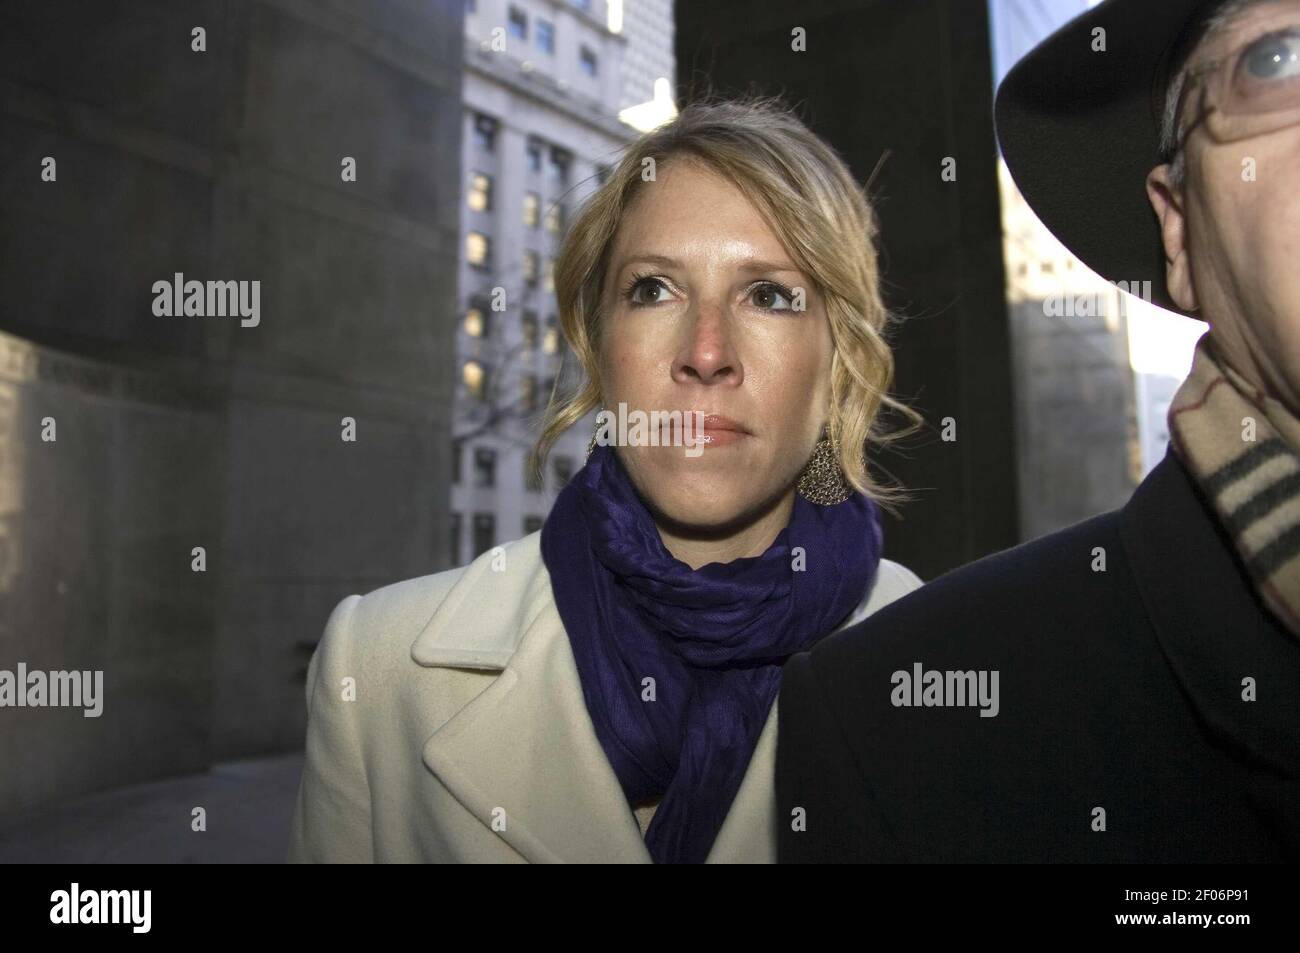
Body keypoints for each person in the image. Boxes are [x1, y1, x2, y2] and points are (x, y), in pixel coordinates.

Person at [287, 96, 924, 863]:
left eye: (769, 295)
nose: (707, 350)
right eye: (653, 289)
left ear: (839, 358)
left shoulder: (938, 664)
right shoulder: (377, 667)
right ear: (598, 345)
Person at [776, 0, 1300, 864]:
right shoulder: (904, 736)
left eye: (772, 295)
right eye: (1276, 62)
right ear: (1177, 226)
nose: (707, 353)